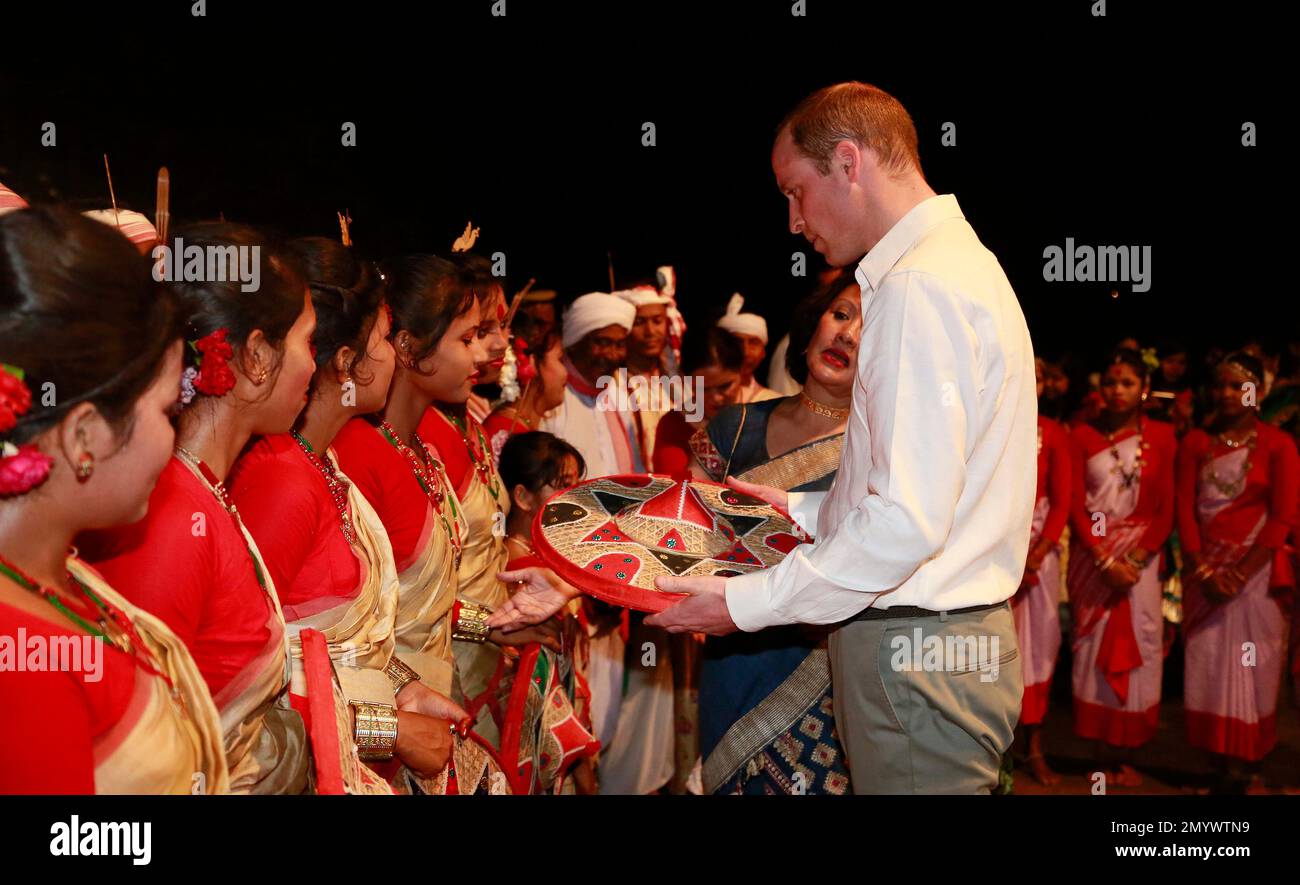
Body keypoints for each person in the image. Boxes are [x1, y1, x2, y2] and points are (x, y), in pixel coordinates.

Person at [647, 81, 1035, 795]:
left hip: (918, 647)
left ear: (849, 163)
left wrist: (741, 605)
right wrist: (794, 510)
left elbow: (905, 521)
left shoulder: (922, 285)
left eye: (795, 191)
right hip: (931, 645)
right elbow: (919, 495)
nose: (794, 222)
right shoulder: (953, 267)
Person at [81, 222, 317, 794]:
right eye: (309, 341)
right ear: (258, 355)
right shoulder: (168, 519)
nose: (315, 363)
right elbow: (138, 765)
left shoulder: (203, 493)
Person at [0, 206, 228, 794]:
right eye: (166, 412)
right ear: (83, 435)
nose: (174, 438)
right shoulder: (21, 666)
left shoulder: (55, 575)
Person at [229, 237, 465, 788]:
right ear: (345, 363)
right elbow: (244, 697)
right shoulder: (280, 480)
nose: (396, 358)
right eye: (385, 339)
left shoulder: (323, 462)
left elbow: (345, 654)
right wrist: (390, 730)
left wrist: (403, 685)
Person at [688, 270, 860, 795]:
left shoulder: (877, 453)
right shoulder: (735, 427)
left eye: (872, 329)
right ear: (813, 323)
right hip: (729, 653)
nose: (849, 334)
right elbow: (682, 534)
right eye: (842, 313)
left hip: (825, 666)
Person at [1177, 352, 1299, 792]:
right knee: (1209, 665)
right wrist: (1203, 570)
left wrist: (1241, 573)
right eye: (1221, 385)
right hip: (1205, 578)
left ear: (1259, 393)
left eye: (1238, 386)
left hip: (1256, 578)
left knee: (1255, 668)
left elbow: (1283, 517)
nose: (1227, 394)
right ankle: (1217, 764)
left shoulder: (1279, 446)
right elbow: (1185, 512)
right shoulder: (1195, 443)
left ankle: (1250, 768)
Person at [1066, 349, 1177, 787]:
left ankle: (1126, 752)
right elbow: (1077, 505)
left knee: (1141, 650)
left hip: (1141, 564)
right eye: (1111, 382)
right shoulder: (1081, 436)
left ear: (1143, 389)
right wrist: (1103, 558)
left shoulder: (1166, 437)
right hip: (1094, 562)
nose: (1117, 391)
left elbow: (1167, 507)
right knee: (1091, 650)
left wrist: (1134, 557)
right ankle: (1098, 753)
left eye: (1127, 383)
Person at [497, 431, 601, 793]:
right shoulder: (516, 569)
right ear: (523, 497)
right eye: (561, 487)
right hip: (542, 740)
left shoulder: (549, 563)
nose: (573, 500)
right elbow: (538, 683)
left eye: (576, 487)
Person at [1010, 357, 1072, 786]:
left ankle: (1034, 749)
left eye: (1036, 378)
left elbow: (1063, 500)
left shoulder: (1053, 433)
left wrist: (1040, 549)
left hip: (1040, 561)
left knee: (1040, 650)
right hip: (999, 559)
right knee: (999, 653)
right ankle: (996, 752)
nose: (1029, 384)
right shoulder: (993, 425)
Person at [539, 291, 643, 477]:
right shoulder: (552, 401)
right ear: (576, 342)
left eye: (619, 345)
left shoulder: (619, 393)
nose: (612, 355)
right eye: (603, 342)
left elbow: (635, 466)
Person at [653, 327, 744, 480]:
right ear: (684, 378)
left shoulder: (762, 416)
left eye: (725, 386)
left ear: (742, 372)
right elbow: (674, 492)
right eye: (703, 389)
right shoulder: (674, 425)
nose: (716, 398)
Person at [482, 326, 567, 466]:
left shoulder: (519, 426)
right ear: (532, 364)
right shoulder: (505, 432)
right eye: (561, 360)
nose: (566, 371)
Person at [717, 293, 779, 404]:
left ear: (763, 352)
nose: (745, 352)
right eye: (737, 342)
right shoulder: (693, 392)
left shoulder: (771, 401)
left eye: (753, 343)